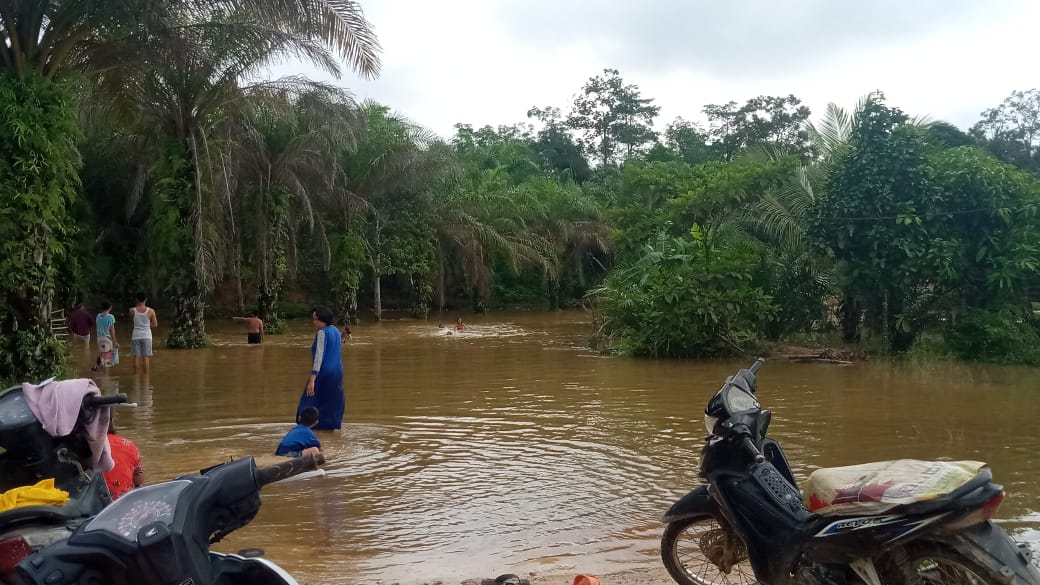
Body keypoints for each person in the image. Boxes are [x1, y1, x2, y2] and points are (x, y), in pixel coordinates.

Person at [297, 306, 344, 431]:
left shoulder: (322, 332)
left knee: (308, 401)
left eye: (316, 319)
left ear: (324, 320)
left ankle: (307, 430)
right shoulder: (335, 330)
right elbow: (339, 341)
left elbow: (319, 356)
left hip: (324, 373)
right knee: (331, 402)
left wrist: (312, 379)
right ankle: (330, 430)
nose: (314, 322)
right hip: (337, 372)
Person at [103, 418, 143, 500]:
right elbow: (139, 480)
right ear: (112, 422)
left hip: (97, 503)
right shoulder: (129, 445)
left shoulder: (84, 447)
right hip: (124, 501)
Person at [129, 293, 157, 374]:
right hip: (147, 336)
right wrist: (147, 325)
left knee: (136, 357)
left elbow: (133, 320)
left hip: (136, 336)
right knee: (146, 358)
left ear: (136, 299)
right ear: (146, 299)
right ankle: (146, 377)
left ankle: (136, 377)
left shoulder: (131, 310)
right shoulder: (151, 311)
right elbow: (155, 324)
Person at [92, 302, 118, 372]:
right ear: (110, 308)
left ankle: (95, 367)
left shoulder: (98, 316)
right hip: (107, 339)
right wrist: (115, 342)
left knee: (102, 354)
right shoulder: (111, 317)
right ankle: (106, 378)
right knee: (107, 360)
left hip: (99, 339)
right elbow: (112, 331)